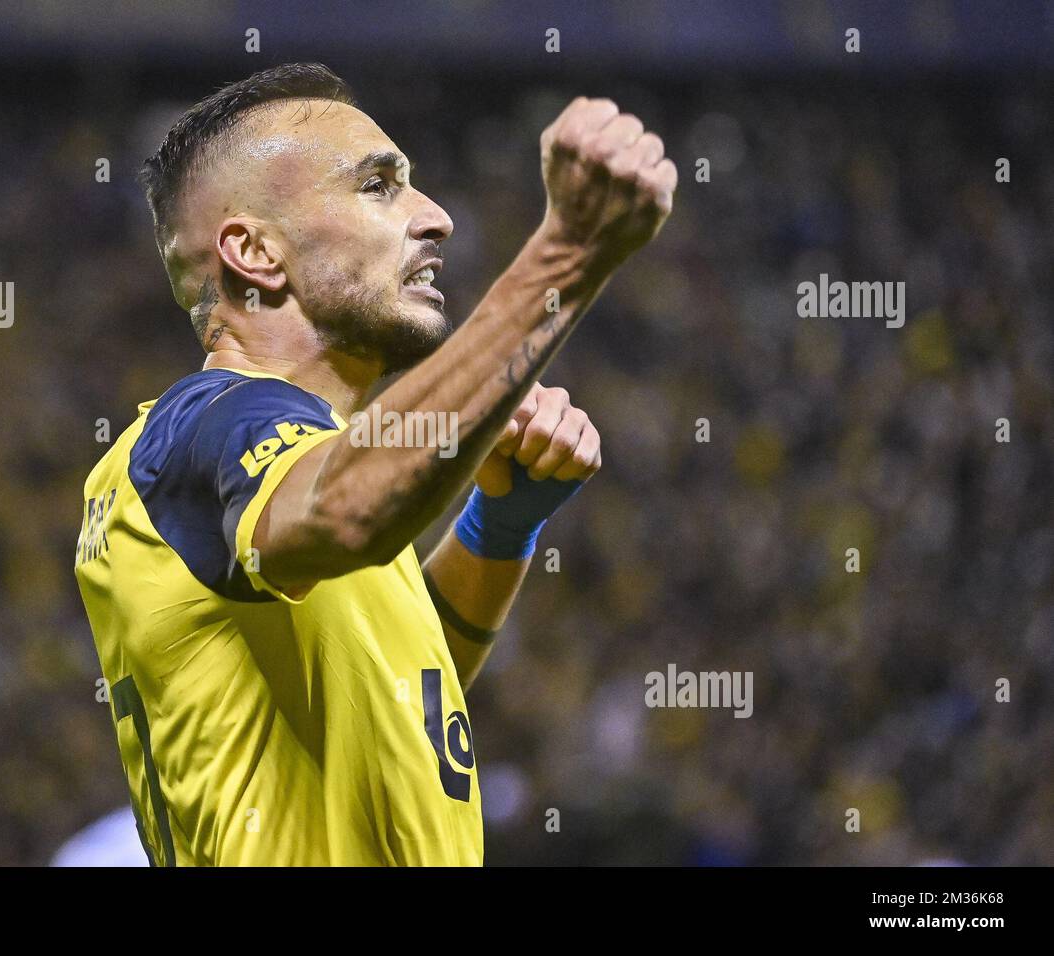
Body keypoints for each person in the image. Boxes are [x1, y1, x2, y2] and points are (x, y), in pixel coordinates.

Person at [74, 62, 675, 865]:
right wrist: (565, 257)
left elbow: (391, 696)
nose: (437, 218)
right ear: (254, 252)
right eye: (379, 186)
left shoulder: (296, 473)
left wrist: (497, 527)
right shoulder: (208, 425)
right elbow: (347, 511)